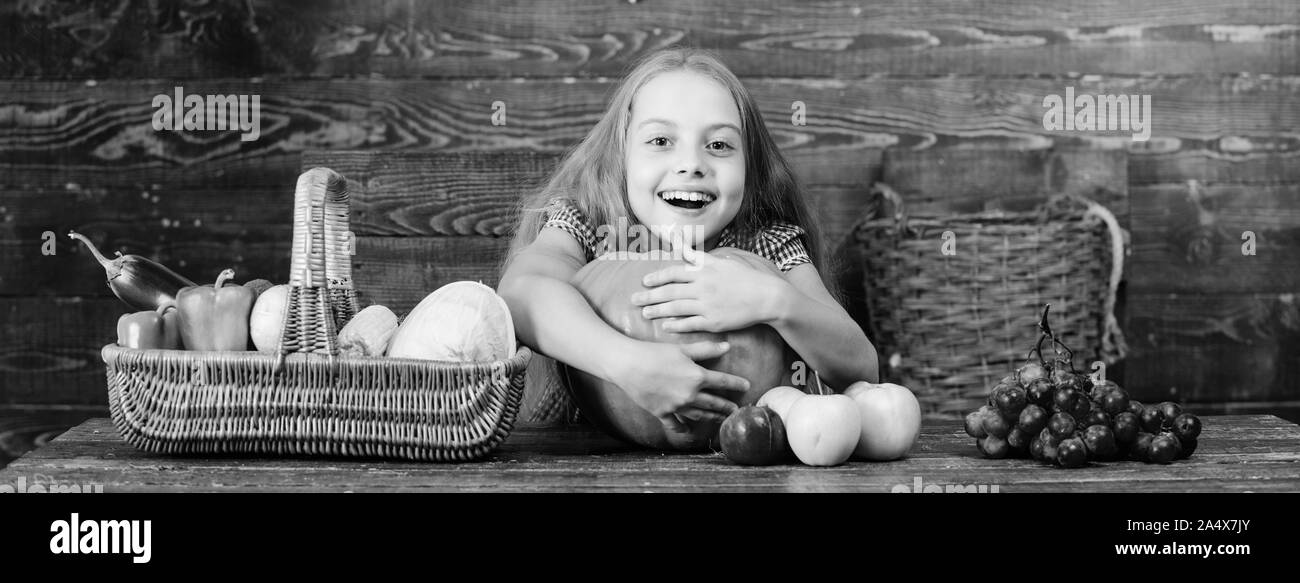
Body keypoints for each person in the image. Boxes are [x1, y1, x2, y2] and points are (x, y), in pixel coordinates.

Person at [498, 46, 878, 437]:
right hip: (591, 458)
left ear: (750, 165)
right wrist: (626, 363)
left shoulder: (765, 245)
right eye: (661, 141)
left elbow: (861, 367)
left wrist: (774, 301)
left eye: (719, 145)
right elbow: (520, 295)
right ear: (621, 155)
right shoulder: (591, 223)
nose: (692, 164)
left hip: (744, 460)